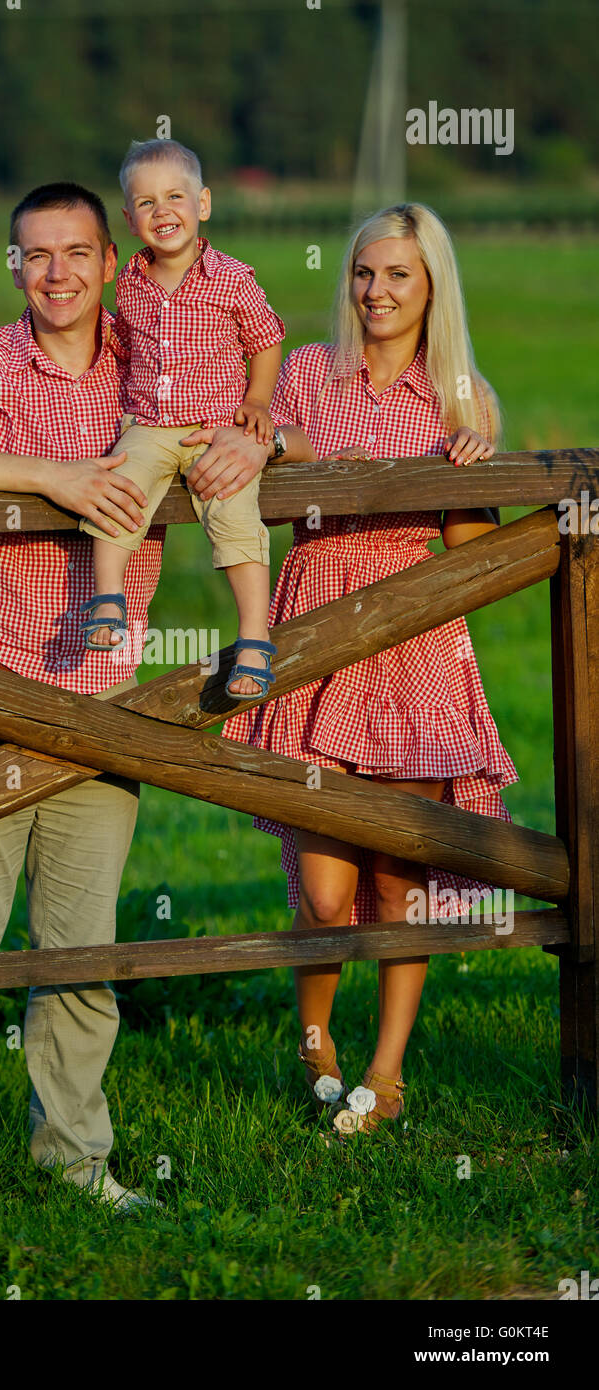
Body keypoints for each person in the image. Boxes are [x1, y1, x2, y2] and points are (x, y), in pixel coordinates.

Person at [0, 182, 271, 1214]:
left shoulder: (153, 364)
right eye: (35, 254)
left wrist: (257, 435)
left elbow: (268, 395)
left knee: (81, 957)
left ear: (110, 264)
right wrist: (51, 475)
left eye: (76, 253)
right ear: (14, 266)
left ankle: (76, 1160)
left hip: (104, 703)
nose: (56, 273)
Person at [223, 202, 517, 1134]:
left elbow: (473, 557)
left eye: (396, 274)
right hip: (315, 633)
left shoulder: (460, 395)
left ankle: (386, 1075)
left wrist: (470, 474)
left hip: (417, 645)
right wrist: (285, 445)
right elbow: (266, 500)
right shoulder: (306, 373)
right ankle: (313, 1039)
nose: (376, 291)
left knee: (401, 879)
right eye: (363, 273)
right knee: (323, 889)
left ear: (432, 285)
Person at [78, 139, 286, 700]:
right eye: (145, 203)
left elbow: (266, 342)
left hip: (214, 427)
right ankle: (108, 600)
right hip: (146, 425)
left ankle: (253, 639)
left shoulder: (233, 278)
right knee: (117, 488)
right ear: (128, 218)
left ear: (204, 203)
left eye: (175, 196)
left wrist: (259, 403)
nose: (161, 211)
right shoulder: (128, 282)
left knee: (235, 512)